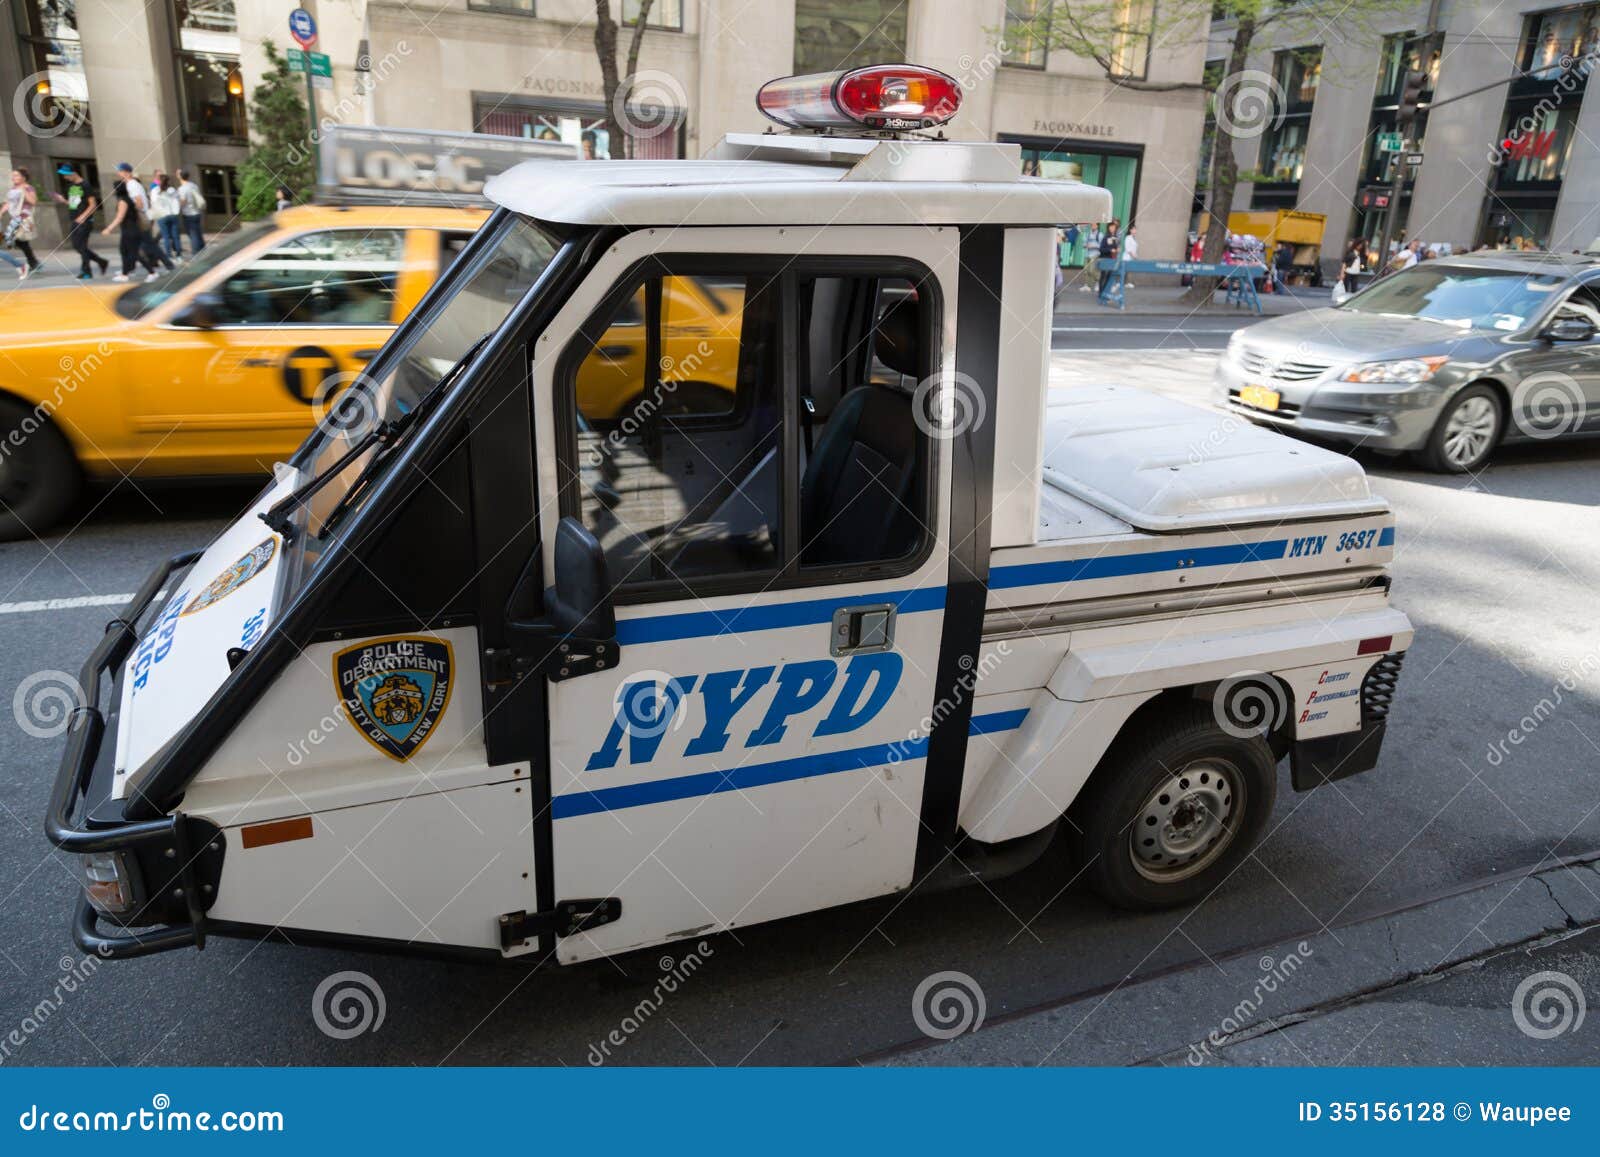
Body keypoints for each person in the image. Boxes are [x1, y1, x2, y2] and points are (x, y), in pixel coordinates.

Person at [101, 162, 161, 282]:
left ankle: (151, 271)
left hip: (132, 227)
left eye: (120, 171)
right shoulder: (128, 195)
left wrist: (109, 229)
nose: (118, 173)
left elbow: (122, 215)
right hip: (130, 227)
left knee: (136, 251)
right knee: (126, 250)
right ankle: (126, 271)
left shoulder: (128, 194)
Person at [50, 165, 109, 280]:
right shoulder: (71, 186)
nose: (65, 177)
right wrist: (63, 201)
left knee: (81, 246)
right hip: (74, 219)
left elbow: (93, 204)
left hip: (85, 221)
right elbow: (73, 204)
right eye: (63, 175)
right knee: (77, 246)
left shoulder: (85, 185)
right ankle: (101, 261)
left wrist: (83, 217)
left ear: (73, 173)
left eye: (66, 175)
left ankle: (87, 271)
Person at [3, 168, 43, 279]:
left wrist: (23, 190)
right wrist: (1, 212)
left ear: (23, 177)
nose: (13, 178)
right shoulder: (13, 189)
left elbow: (33, 201)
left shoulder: (28, 188)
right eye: (13, 176)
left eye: (16, 175)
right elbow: (8, 203)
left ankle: (32, 263)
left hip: (25, 217)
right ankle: (33, 262)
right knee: (20, 241)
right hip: (16, 217)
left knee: (14, 239)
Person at [151, 173, 183, 263]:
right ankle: (179, 255)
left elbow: (153, 203)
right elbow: (178, 200)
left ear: (159, 181)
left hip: (162, 216)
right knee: (176, 236)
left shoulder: (155, 190)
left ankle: (169, 256)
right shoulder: (172, 190)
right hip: (173, 214)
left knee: (166, 237)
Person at [176, 168, 205, 254]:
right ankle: (203, 251)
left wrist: (176, 206)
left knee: (193, 235)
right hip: (197, 212)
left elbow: (183, 201)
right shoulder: (194, 185)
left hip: (188, 214)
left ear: (181, 177)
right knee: (198, 233)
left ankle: (196, 254)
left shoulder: (182, 188)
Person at [1096, 219, 1121, 302]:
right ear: (1108, 228)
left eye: (1114, 227)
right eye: (1111, 227)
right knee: (1103, 276)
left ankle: (1105, 293)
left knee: (1109, 277)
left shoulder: (1115, 238)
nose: (1112, 228)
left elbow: (1115, 248)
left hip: (1112, 260)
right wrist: (1110, 250)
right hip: (1105, 259)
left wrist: (1117, 250)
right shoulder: (1106, 237)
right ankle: (1101, 293)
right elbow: (1101, 249)